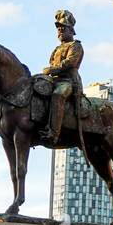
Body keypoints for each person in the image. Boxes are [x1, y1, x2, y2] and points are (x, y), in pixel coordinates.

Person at [38, 10, 84, 146]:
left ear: (71, 30)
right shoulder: (57, 48)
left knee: (58, 95)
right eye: (58, 29)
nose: (60, 32)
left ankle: (54, 132)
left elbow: (70, 63)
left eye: (63, 29)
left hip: (68, 81)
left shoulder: (76, 46)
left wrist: (51, 70)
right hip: (54, 80)